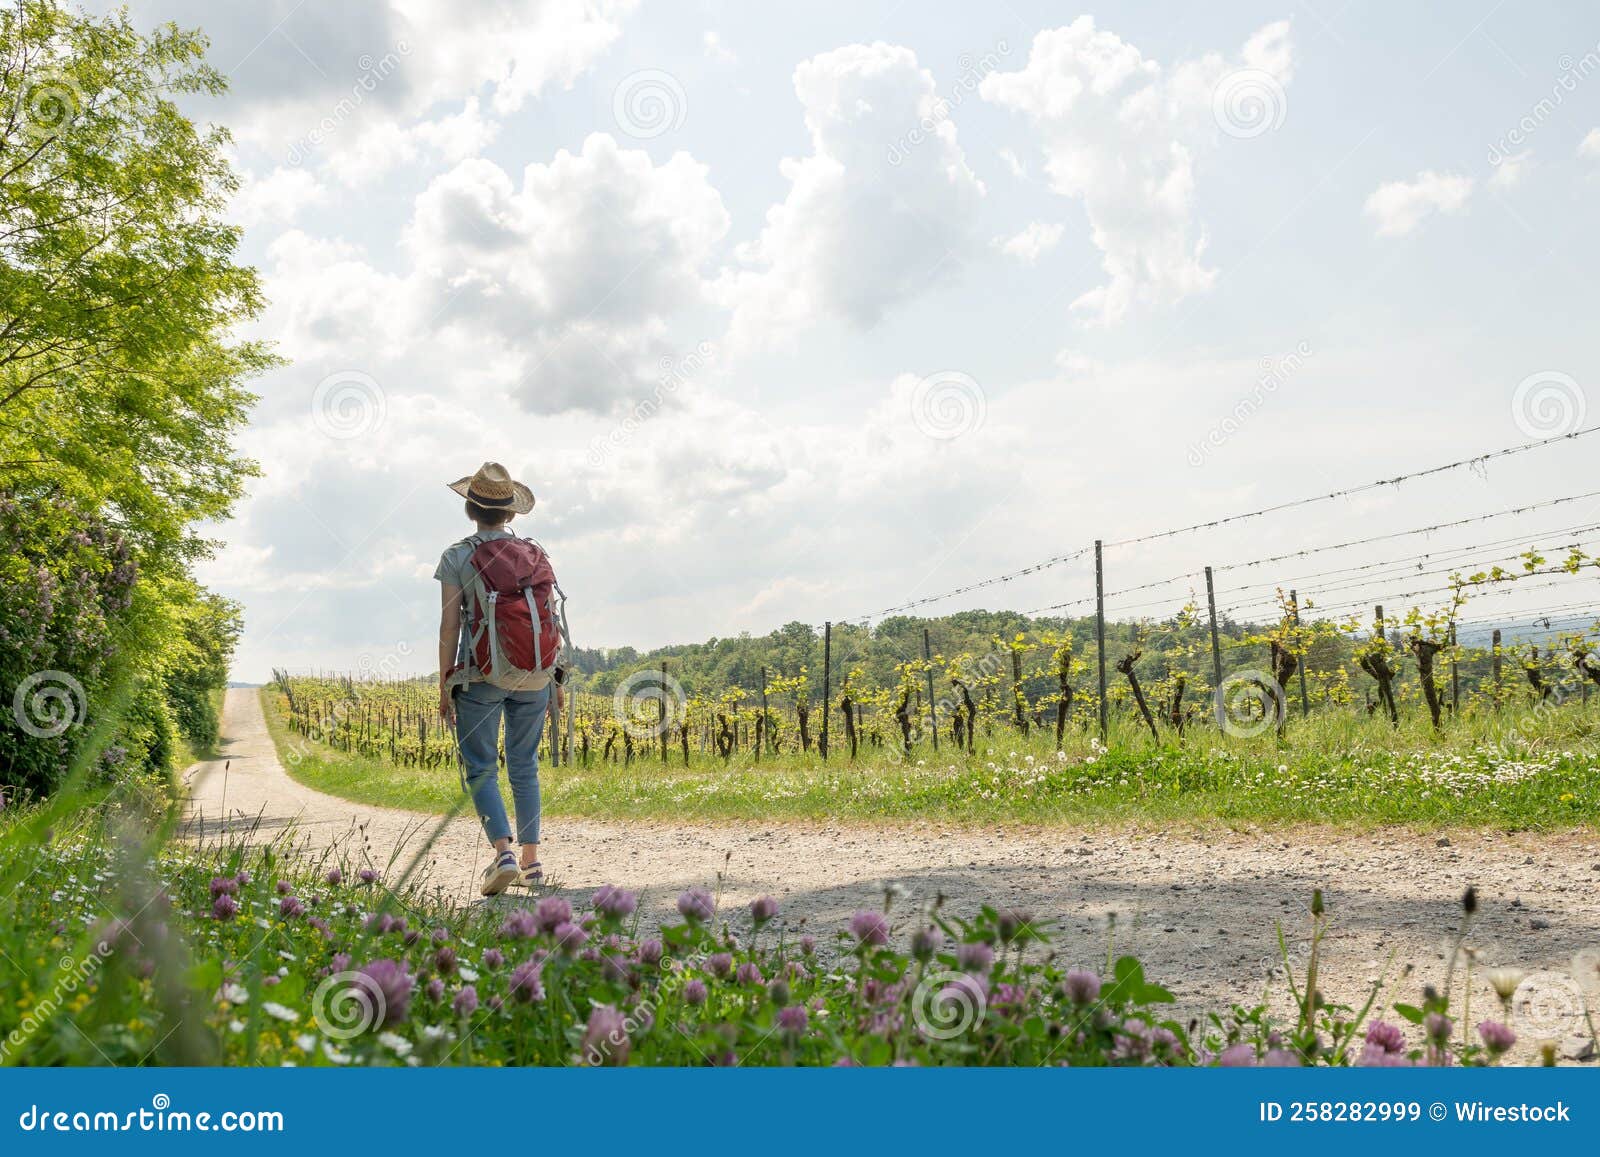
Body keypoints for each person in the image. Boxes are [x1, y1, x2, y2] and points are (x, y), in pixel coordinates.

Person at [435, 462, 563, 896]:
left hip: (480, 675)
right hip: (535, 674)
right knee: (525, 766)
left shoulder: (457, 556)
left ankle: (503, 853)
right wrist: (554, 680)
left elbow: (450, 627)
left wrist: (444, 684)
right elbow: (550, 620)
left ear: (471, 510)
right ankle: (531, 862)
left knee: (482, 770)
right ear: (510, 514)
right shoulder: (535, 554)